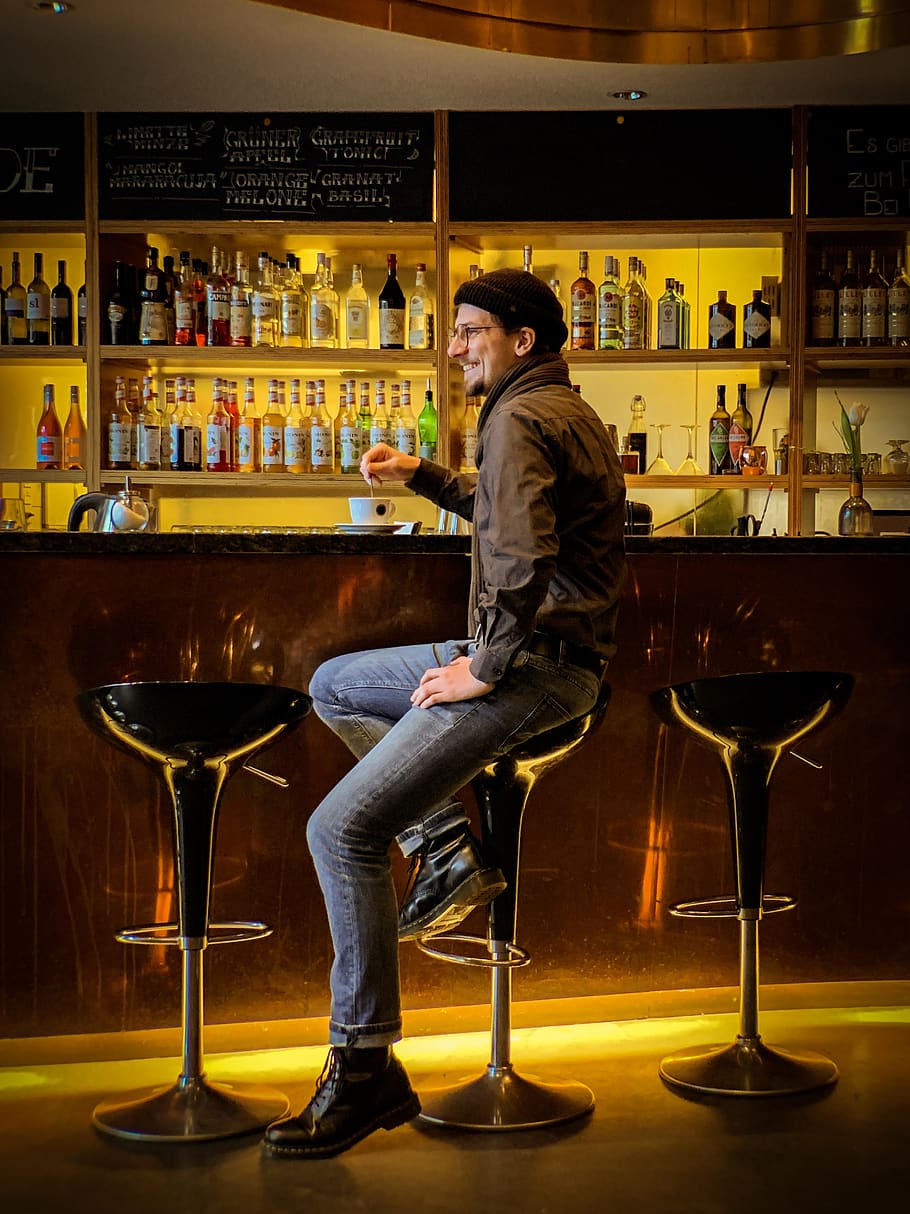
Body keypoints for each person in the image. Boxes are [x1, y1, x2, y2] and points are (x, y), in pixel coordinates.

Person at [263, 269, 627, 1160]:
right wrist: (424, 474)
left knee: (340, 830)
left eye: (470, 330)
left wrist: (485, 666)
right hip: (552, 661)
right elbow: (509, 510)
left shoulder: (517, 417)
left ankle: (363, 1069)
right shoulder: (561, 411)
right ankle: (445, 844)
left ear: (521, 340)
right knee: (336, 684)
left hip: (534, 669)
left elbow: (520, 553)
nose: (456, 345)